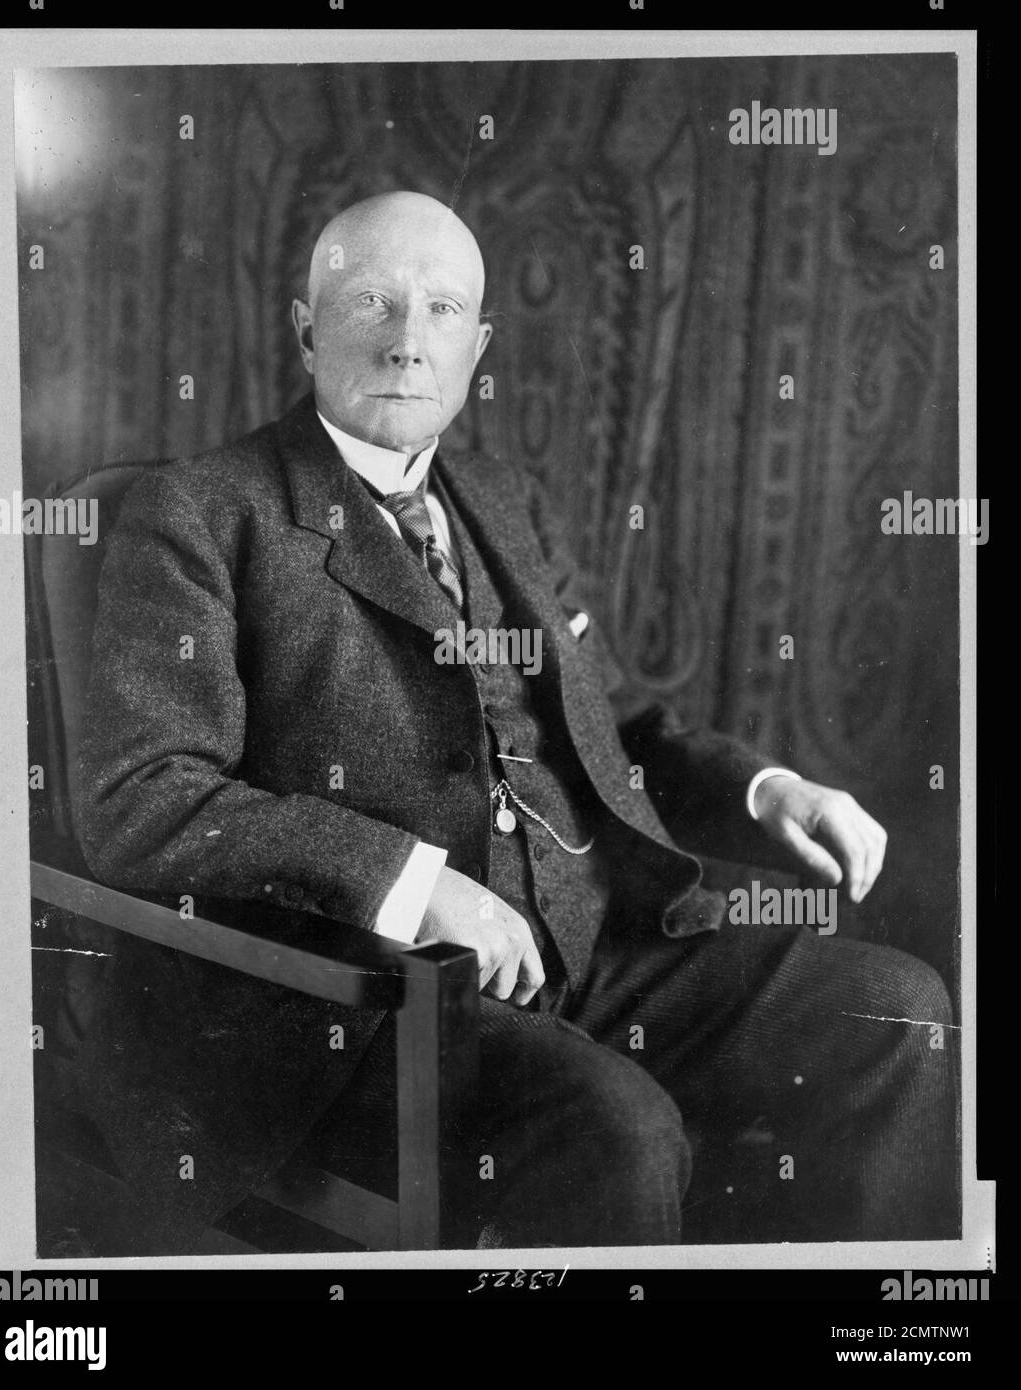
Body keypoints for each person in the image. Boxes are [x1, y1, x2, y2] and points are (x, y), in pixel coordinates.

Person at [75, 191, 959, 1250]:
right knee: (620, 1131)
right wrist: (411, 880)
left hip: (597, 948)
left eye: (443, 310)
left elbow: (619, 722)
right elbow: (144, 799)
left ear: (479, 344)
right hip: (366, 1003)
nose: (409, 341)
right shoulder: (201, 514)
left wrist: (770, 789)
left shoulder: (504, 499)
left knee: (896, 1015)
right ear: (306, 326)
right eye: (371, 300)